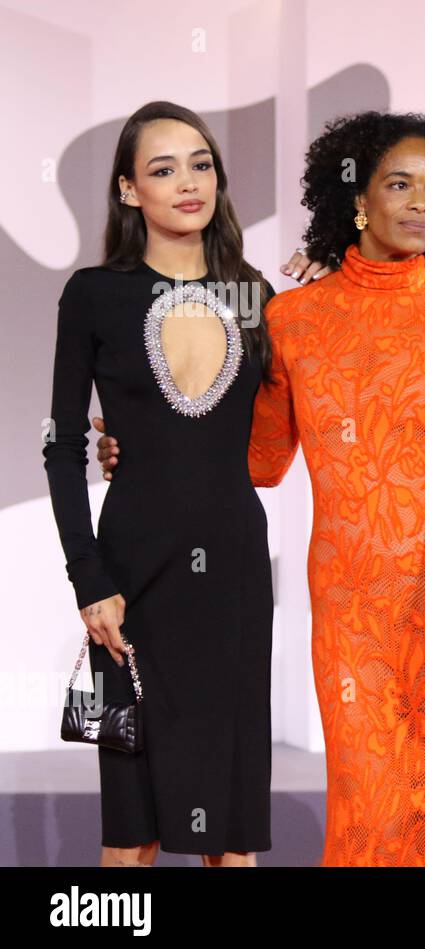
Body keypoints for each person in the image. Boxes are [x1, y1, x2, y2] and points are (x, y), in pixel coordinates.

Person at [99, 111, 425, 867]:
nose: (423, 202)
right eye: (401, 184)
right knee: (366, 801)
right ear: (357, 198)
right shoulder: (291, 319)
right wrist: (136, 438)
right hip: (351, 603)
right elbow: (259, 462)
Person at [44, 101, 276, 866]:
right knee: (130, 832)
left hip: (234, 578)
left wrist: (320, 287)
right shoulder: (93, 295)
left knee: (231, 839)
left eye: (201, 164)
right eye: (163, 169)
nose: (188, 183)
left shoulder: (258, 297)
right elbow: (65, 445)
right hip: (131, 577)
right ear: (127, 190)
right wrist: (89, 579)